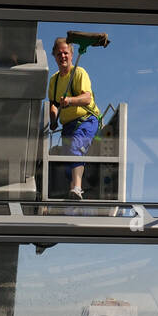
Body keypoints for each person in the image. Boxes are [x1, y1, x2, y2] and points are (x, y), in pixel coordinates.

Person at [47, 37, 100, 200]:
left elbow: (86, 99)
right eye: (58, 54)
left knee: (76, 147)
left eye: (65, 53)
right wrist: (53, 120)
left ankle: (77, 188)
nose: (62, 56)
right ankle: (75, 190)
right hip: (67, 125)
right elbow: (53, 104)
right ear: (54, 56)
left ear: (71, 54)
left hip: (86, 119)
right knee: (69, 163)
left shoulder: (79, 72)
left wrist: (70, 101)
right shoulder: (54, 81)